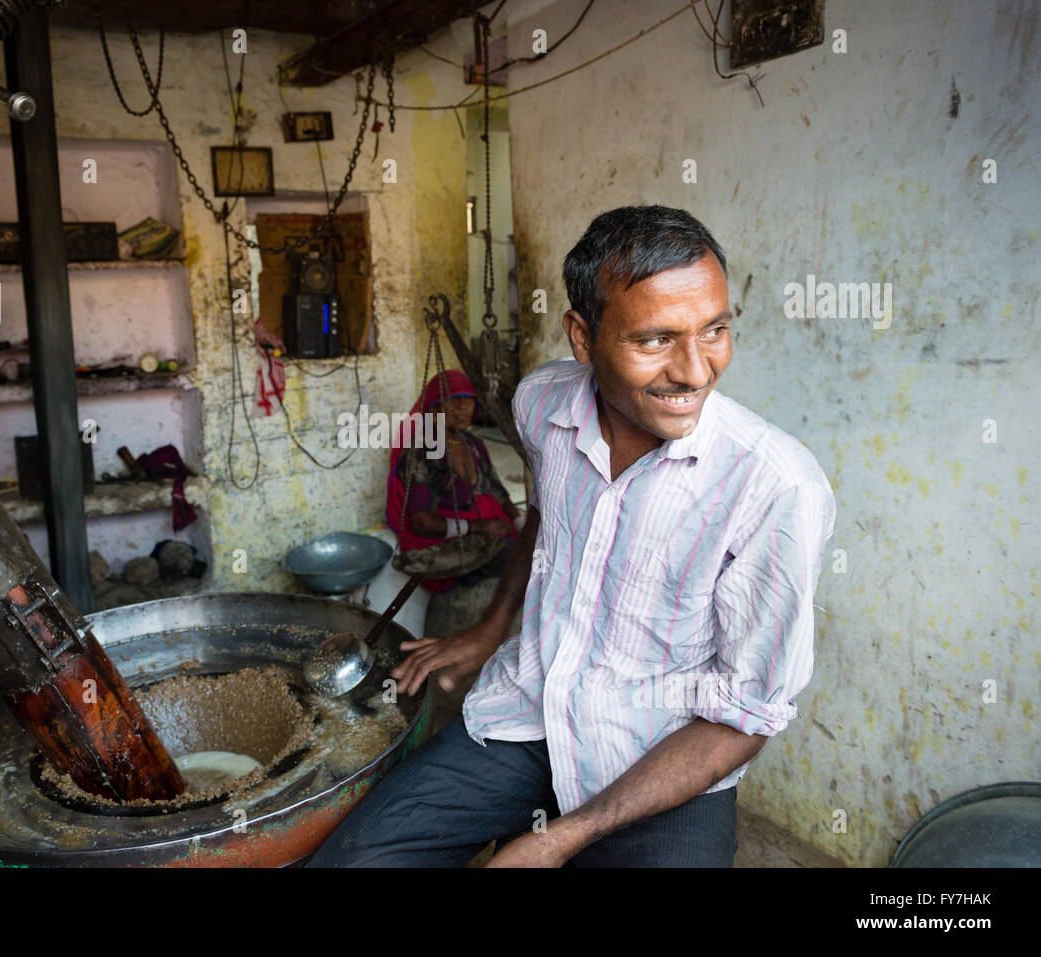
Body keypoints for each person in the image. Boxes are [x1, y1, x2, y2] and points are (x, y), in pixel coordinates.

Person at [308, 205, 836, 867]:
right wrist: (493, 625)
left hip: (665, 754)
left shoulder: (776, 488)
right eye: (655, 340)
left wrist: (561, 836)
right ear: (582, 338)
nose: (696, 371)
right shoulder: (542, 404)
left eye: (715, 330)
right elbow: (548, 512)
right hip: (528, 713)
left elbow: (743, 716)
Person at [386, 369, 519, 591]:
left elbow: (498, 491)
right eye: (452, 400)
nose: (462, 408)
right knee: (521, 563)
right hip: (448, 543)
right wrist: (478, 526)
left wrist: (520, 523)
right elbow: (421, 523)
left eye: (468, 400)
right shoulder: (425, 450)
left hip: (488, 531)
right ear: (434, 408)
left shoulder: (473, 443)